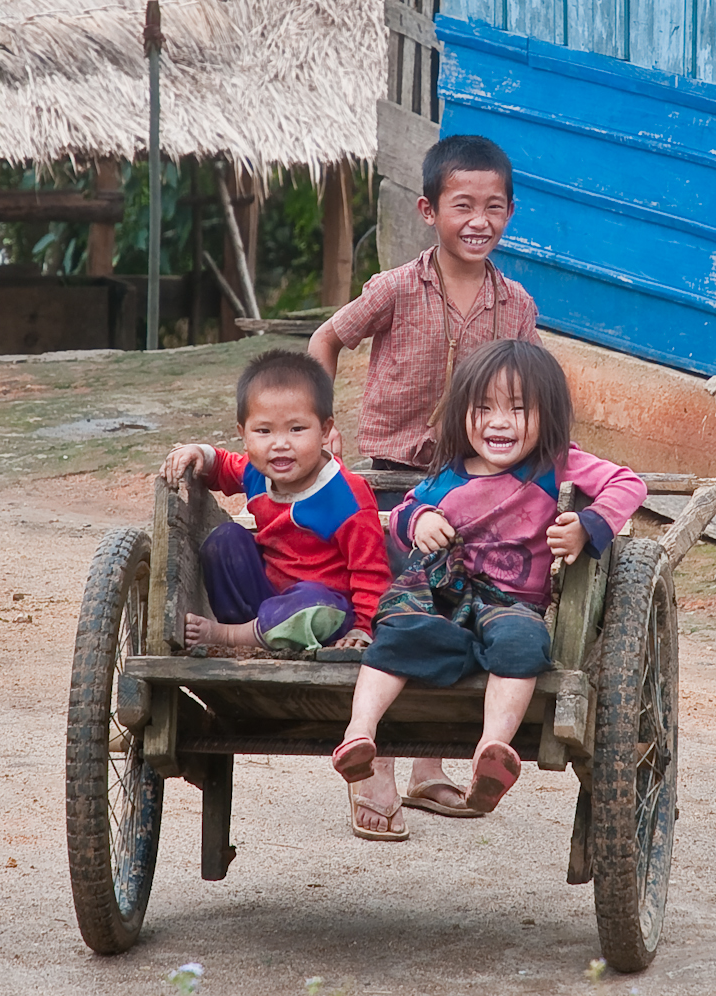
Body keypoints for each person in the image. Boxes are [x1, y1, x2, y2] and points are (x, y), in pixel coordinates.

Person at [308, 134, 542, 831]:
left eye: (494, 207)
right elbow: (327, 339)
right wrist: (321, 421)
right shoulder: (395, 288)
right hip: (387, 480)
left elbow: (532, 389)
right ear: (427, 210)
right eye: (462, 205)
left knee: (460, 601)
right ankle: (373, 773)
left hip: (470, 484)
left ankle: (429, 768)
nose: (479, 221)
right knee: (390, 607)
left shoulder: (517, 305)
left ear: (510, 213)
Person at [331, 340, 648, 838]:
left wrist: (587, 525)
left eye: (519, 410)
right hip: (442, 595)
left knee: (524, 645)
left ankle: (491, 752)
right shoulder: (450, 472)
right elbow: (407, 510)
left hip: (511, 602)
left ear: (549, 417)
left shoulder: (555, 463)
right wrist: (421, 521)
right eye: (484, 409)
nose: (499, 422)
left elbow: (629, 484)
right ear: (463, 415)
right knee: (397, 635)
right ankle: (359, 734)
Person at [158, 350, 389, 652]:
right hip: (265, 600)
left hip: (323, 613)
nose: (280, 444)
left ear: (325, 430)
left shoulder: (346, 495)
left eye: (296, 429)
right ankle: (250, 633)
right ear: (244, 434)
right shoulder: (256, 472)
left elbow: (370, 570)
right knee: (224, 541)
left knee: (311, 602)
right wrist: (200, 453)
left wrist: (363, 628)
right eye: (264, 431)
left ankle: (230, 637)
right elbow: (225, 467)